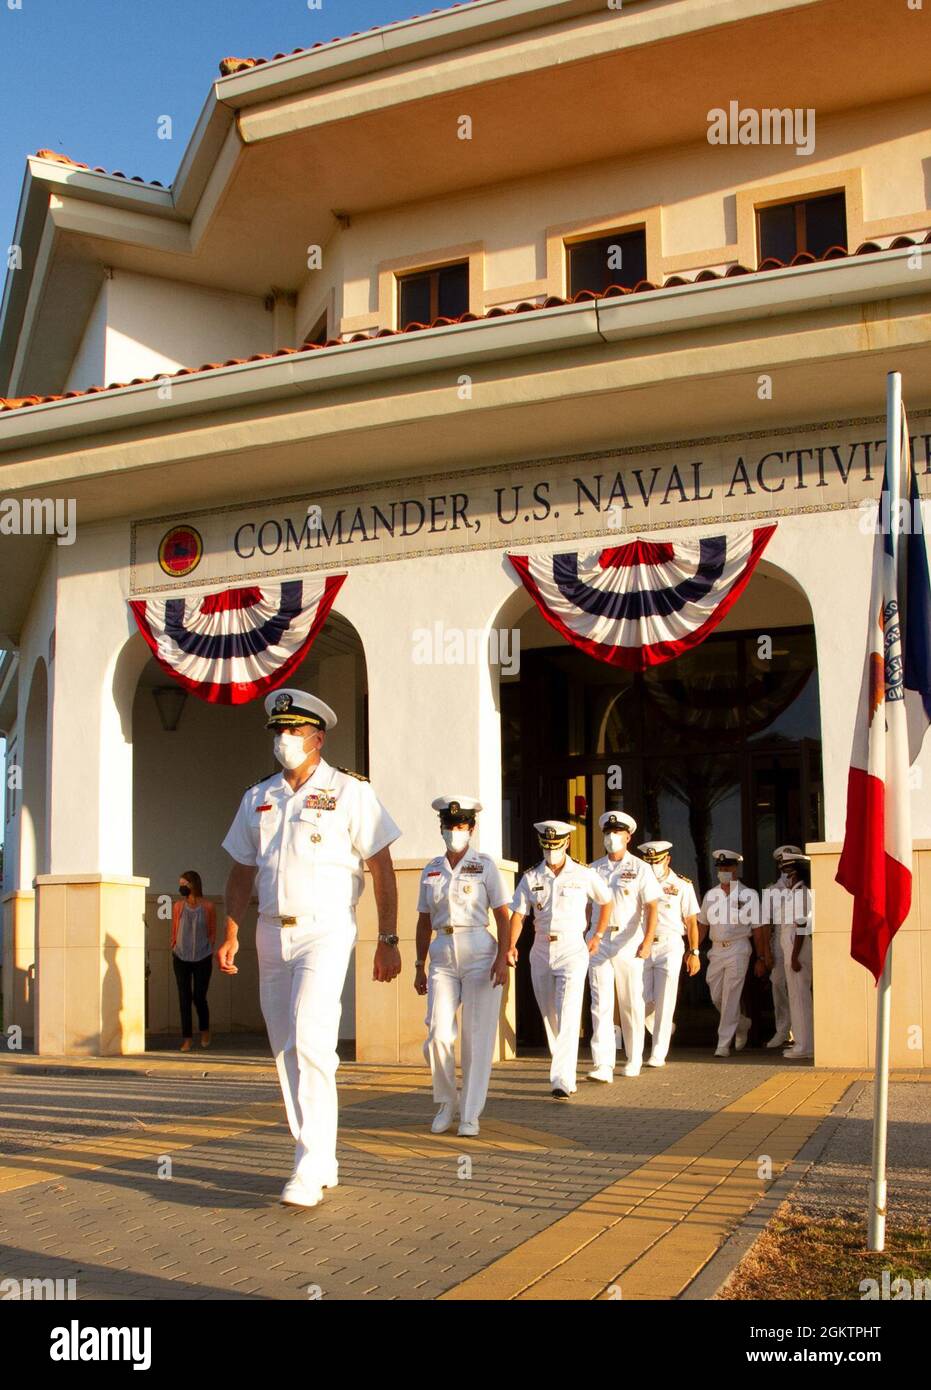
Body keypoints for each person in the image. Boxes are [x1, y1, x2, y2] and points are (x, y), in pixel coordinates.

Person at [218, 687, 401, 1208]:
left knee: (311, 1038)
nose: (284, 739)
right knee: (285, 1048)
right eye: (279, 730)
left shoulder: (350, 792)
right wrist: (232, 930)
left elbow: (381, 868)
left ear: (318, 737)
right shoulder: (258, 796)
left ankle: (307, 1162)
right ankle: (322, 1156)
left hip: (326, 929)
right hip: (270, 931)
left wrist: (387, 939)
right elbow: (240, 869)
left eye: (294, 730)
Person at [414, 796, 511, 1137]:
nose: (454, 832)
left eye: (460, 826)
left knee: (476, 1036)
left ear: (471, 828)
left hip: (480, 951)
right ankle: (446, 1101)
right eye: (448, 827)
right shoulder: (432, 868)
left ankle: (470, 1113)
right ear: (441, 829)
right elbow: (424, 920)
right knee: (438, 1033)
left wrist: (504, 956)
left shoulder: (484, 866)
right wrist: (418, 964)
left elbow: (502, 914)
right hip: (442, 952)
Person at [509, 820, 612, 1098]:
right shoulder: (531, 877)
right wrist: (510, 946)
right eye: (546, 847)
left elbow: (606, 901)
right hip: (541, 949)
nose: (551, 852)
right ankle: (561, 1064)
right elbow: (518, 915)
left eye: (555, 846)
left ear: (566, 844)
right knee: (548, 1014)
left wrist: (598, 934)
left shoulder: (583, 873)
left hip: (572, 947)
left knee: (568, 1011)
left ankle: (562, 1079)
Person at [586, 812, 661, 1082]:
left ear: (628, 837)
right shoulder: (593, 869)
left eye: (617, 833)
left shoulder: (641, 868)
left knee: (630, 1002)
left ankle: (633, 1057)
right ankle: (603, 1063)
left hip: (628, 942)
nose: (611, 838)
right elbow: (586, 906)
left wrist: (648, 939)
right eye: (607, 833)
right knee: (600, 1003)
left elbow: (652, 906)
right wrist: (587, 934)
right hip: (599, 942)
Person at [637, 840, 701, 1068]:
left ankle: (658, 1052)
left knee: (665, 1000)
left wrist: (694, 951)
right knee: (639, 1000)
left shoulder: (682, 885)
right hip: (642, 945)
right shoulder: (638, 882)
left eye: (657, 860)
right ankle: (660, 1026)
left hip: (670, 945)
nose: (653, 865)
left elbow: (691, 921)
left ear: (667, 860)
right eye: (649, 861)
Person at [697, 849, 764, 1057]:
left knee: (731, 995)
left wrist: (761, 957)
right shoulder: (711, 895)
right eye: (720, 868)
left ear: (736, 869)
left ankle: (723, 1043)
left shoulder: (748, 895)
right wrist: (693, 948)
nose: (723, 871)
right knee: (716, 995)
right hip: (716, 950)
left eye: (727, 868)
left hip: (738, 948)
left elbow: (758, 928)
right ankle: (742, 1023)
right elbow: (702, 924)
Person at [760, 844, 802, 1049]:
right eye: (783, 864)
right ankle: (783, 1029)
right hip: (779, 938)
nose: (786, 868)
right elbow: (766, 922)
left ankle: (801, 1028)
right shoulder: (771, 890)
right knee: (778, 982)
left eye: (789, 864)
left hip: (801, 935)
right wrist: (766, 952)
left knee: (800, 983)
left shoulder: (805, 885)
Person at [170, 870, 216, 1052]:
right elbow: (174, 927)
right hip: (180, 956)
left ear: (193, 885)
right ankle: (187, 1038)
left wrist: (209, 948)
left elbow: (212, 930)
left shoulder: (208, 906)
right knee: (184, 997)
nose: (181, 887)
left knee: (199, 996)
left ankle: (205, 1030)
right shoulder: (178, 906)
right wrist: (173, 944)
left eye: (184, 884)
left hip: (202, 956)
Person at [778, 851, 814, 1060]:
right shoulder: (794, 894)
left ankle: (805, 1046)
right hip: (791, 947)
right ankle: (802, 1042)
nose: (786, 877)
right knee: (796, 997)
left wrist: (794, 957)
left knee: (800, 998)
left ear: (796, 873)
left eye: (788, 872)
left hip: (797, 949)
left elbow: (801, 926)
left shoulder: (802, 893)